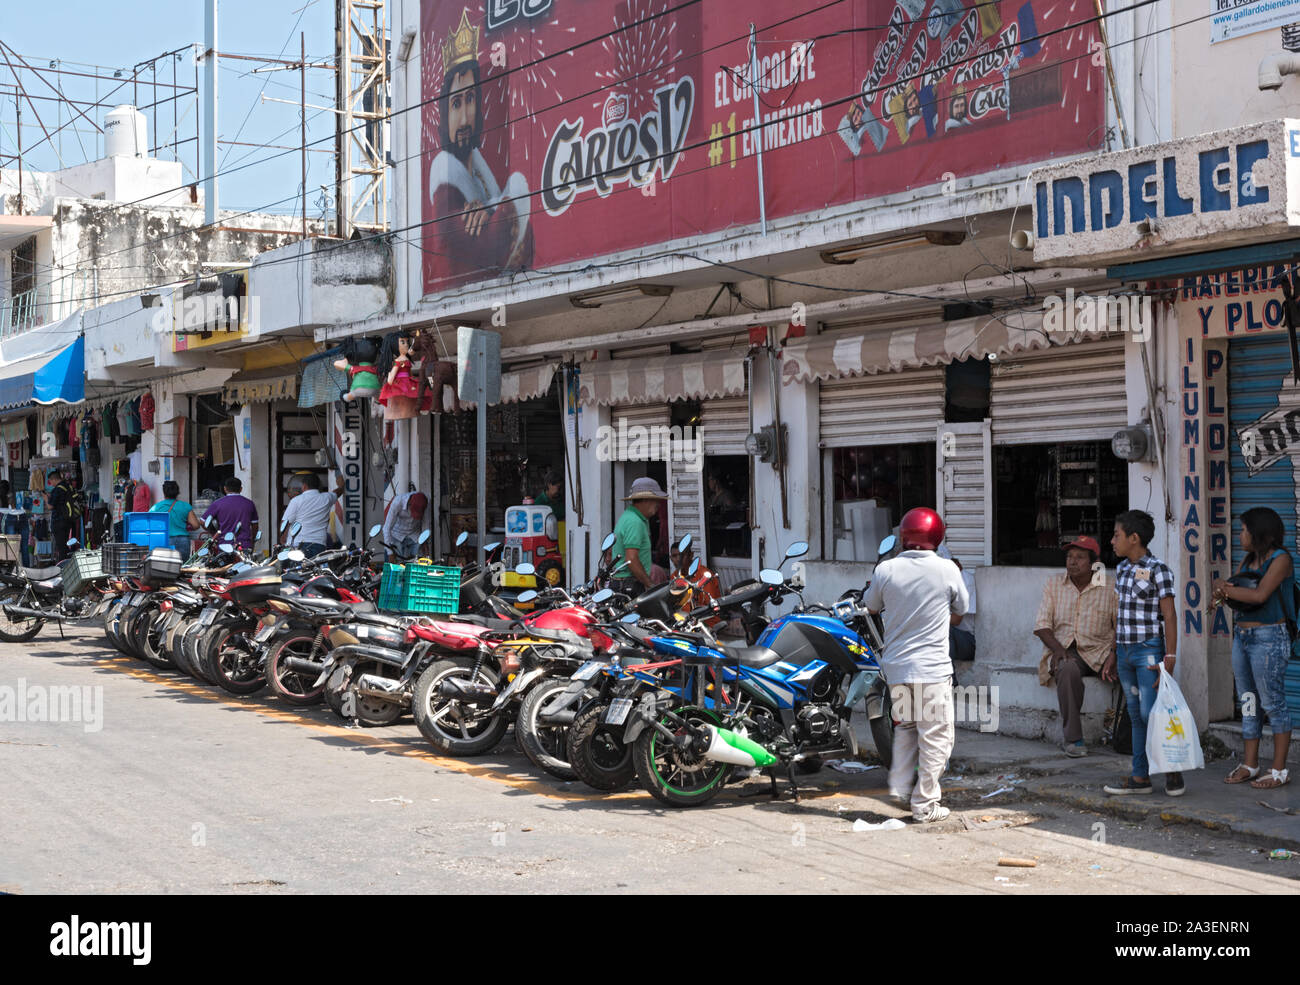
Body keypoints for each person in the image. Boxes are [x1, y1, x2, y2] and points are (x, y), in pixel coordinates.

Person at [863, 506, 969, 823]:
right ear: (937, 535)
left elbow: (870, 605)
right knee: (936, 735)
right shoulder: (948, 569)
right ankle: (924, 804)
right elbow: (962, 606)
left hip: (897, 667)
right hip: (931, 669)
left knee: (907, 727)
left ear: (904, 536)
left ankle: (899, 786)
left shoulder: (886, 569)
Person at [1212, 507, 1293, 789]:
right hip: (1243, 637)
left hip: (1269, 637)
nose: (1240, 535)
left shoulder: (1281, 559)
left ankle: (1280, 769)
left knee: (1273, 703)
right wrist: (1222, 593)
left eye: (1244, 529)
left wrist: (1225, 589)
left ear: (1260, 532)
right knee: (1248, 701)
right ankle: (1250, 763)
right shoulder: (1247, 560)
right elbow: (1236, 592)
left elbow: (1259, 595)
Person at [1103, 510, 1182, 797]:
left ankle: (1173, 769)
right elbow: (1120, 615)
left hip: (1149, 651)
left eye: (1117, 535)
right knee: (1135, 715)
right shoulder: (1123, 569)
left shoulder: (1160, 569)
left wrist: (1169, 657)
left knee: (1152, 714)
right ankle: (1140, 777)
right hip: (1125, 652)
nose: (1112, 541)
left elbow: (1169, 616)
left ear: (1134, 538)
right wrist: (1114, 652)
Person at [1033, 536, 1118, 757]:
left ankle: (1130, 738)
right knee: (1067, 669)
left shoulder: (1109, 586)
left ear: (1093, 563)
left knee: (1134, 671)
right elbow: (1042, 626)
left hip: (1102, 652)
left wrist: (1115, 654)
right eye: (1070, 556)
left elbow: (1121, 625)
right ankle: (1073, 739)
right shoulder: (1054, 584)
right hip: (1069, 651)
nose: (1072, 562)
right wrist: (1058, 650)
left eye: (1080, 557)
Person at [610, 477, 669, 594]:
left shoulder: (633, 517)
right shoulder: (634, 521)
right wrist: (651, 585)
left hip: (627, 583)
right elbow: (631, 559)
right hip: (629, 585)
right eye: (656, 500)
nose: (658, 504)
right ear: (645, 500)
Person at [280, 472, 343, 558]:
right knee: (315, 570)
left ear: (304, 486)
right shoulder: (326, 498)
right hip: (319, 545)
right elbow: (337, 492)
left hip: (298, 545)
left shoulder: (296, 501)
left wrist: (283, 540)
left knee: (296, 570)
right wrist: (341, 485)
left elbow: (285, 522)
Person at [202, 476, 259, 551]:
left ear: (225, 489)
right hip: (244, 545)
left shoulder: (218, 503)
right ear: (241, 489)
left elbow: (202, 521)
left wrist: (215, 534)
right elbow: (255, 525)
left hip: (224, 545)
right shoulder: (249, 504)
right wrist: (252, 540)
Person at [151, 480, 201, 557]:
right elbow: (196, 525)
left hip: (165, 540)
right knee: (182, 566)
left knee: (165, 566)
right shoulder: (185, 506)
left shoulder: (156, 508)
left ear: (164, 493)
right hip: (183, 541)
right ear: (177, 492)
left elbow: (151, 525)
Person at [382, 490, 429, 560]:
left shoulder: (424, 502)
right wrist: (390, 553)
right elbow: (386, 528)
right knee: (398, 566)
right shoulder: (397, 502)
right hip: (397, 535)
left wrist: (424, 542)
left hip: (414, 535)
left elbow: (425, 524)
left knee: (417, 564)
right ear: (409, 504)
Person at [47, 470, 73, 561]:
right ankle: (66, 564)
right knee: (65, 545)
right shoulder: (67, 486)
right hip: (68, 520)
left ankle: (62, 568)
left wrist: (46, 498)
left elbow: (50, 506)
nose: (50, 483)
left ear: (53, 479)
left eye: (50, 481)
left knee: (61, 547)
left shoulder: (57, 489)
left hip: (58, 521)